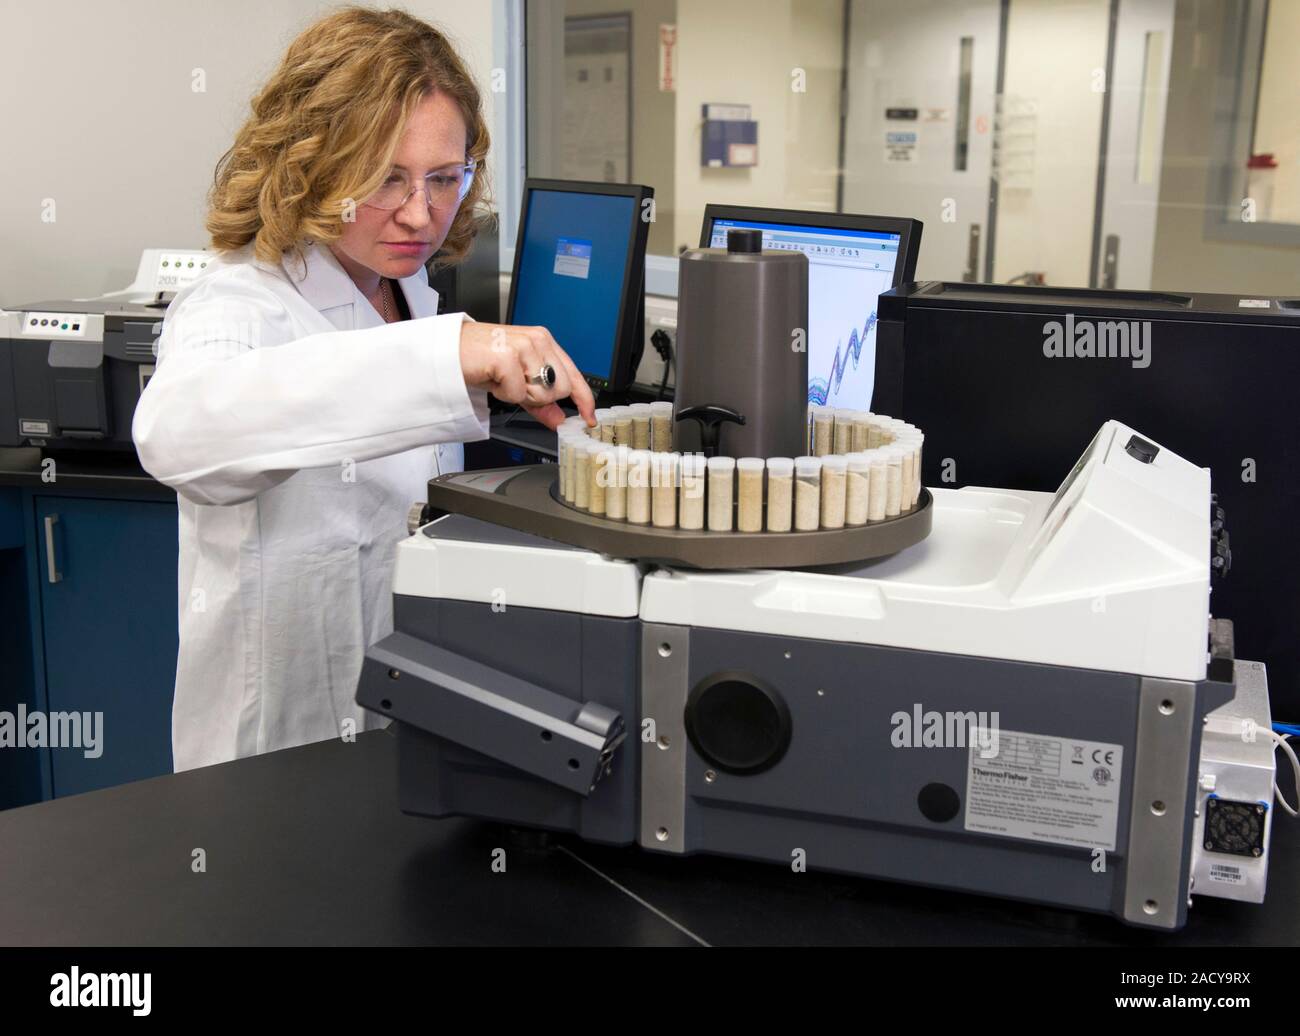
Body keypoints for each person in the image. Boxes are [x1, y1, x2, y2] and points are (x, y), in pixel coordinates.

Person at [132, 7, 594, 771]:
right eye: (385, 179)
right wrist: (450, 355)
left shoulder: (404, 291)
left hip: (398, 713)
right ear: (314, 164)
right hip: (277, 746)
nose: (421, 213)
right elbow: (175, 434)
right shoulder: (241, 302)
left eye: (445, 179)